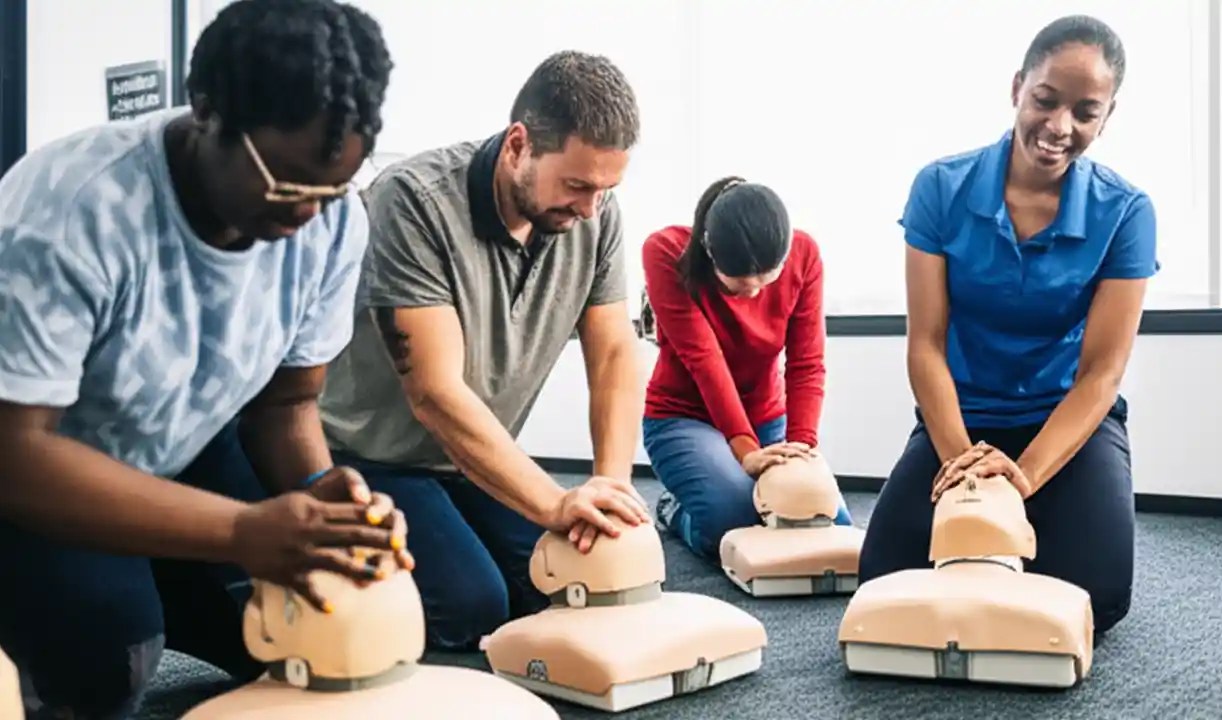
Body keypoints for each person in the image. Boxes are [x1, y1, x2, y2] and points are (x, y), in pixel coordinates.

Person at [0, 1, 405, 717]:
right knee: (112, 652)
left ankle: (165, 583)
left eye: (330, 188)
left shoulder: (330, 218)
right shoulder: (71, 211)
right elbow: (15, 454)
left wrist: (321, 491)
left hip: (179, 447)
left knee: (323, 619)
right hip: (38, 476)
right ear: (207, 112)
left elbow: (285, 406)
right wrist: (243, 532)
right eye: (285, 183)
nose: (307, 214)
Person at [318, 50, 651, 652]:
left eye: (606, 189)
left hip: (474, 461)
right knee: (475, 605)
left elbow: (612, 356)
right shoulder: (412, 200)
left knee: (566, 579)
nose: (590, 209)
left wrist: (611, 490)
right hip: (371, 456)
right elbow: (435, 393)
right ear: (519, 145)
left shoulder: (596, 213)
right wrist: (554, 500)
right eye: (576, 185)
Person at [856, 15, 1157, 635]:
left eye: (1085, 111)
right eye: (1046, 100)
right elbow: (926, 346)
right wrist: (965, 468)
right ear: (1018, 86)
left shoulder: (1127, 211)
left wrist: (1018, 479)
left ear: (1107, 117)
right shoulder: (939, 188)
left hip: (1066, 419)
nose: (1060, 127)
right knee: (883, 579)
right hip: (962, 419)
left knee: (1097, 597)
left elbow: (1101, 374)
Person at [640, 177, 854, 562]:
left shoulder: (804, 255)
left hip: (766, 418)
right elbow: (705, 360)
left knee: (823, 524)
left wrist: (802, 453)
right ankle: (675, 509)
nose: (754, 293)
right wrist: (745, 450)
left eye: (766, 280)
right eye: (739, 287)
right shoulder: (665, 252)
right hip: (683, 418)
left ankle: (725, 481)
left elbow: (806, 363)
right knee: (738, 523)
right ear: (709, 251)